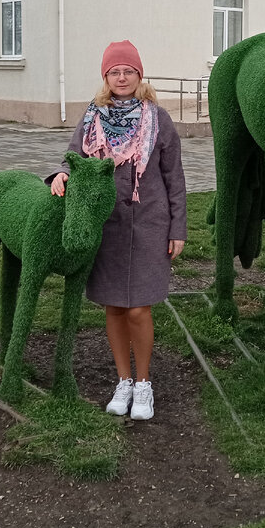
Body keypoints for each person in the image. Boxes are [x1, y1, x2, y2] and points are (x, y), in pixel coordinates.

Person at [47, 40, 186, 421]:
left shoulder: (158, 119)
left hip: (149, 226)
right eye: (114, 71)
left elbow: (174, 178)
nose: (121, 77)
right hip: (106, 227)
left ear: (139, 75)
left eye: (128, 70)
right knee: (113, 306)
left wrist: (178, 228)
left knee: (139, 308)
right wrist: (61, 172)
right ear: (106, 78)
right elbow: (72, 155)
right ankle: (122, 380)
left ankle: (144, 384)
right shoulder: (92, 117)